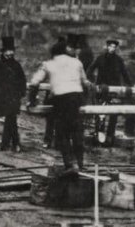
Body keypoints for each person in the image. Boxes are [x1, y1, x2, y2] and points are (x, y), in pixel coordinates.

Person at [29, 39, 93, 172]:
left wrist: (32, 100)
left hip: (61, 99)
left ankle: (69, 164)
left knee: (62, 133)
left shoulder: (48, 64)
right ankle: (80, 163)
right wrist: (85, 100)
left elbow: (34, 82)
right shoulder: (77, 62)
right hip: (77, 98)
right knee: (77, 131)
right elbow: (86, 83)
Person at [86, 39, 132, 146]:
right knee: (100, 113)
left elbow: (125, 74)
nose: (112, 48)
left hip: (114, 91)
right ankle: (98, 135)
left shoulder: (119, 60)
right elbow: (90, 69)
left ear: (116, 48)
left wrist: (130, 85)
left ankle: (110, 137)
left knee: (113, 114)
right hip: (101, 90)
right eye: (110, 46)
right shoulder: (100, 58)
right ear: (107, 47)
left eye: (114, 47)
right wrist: (91, 81)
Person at [0, 36, 27, 152]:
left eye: (12, 50)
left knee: (11, 118)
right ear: (3, 52)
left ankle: (7, 144)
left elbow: (22, 80)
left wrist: (21, 93)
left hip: (14, 97)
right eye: (8, 50)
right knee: (11, 119)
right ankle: (14, 143)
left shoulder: (17, 65)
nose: (10, 53)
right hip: (2, 97)